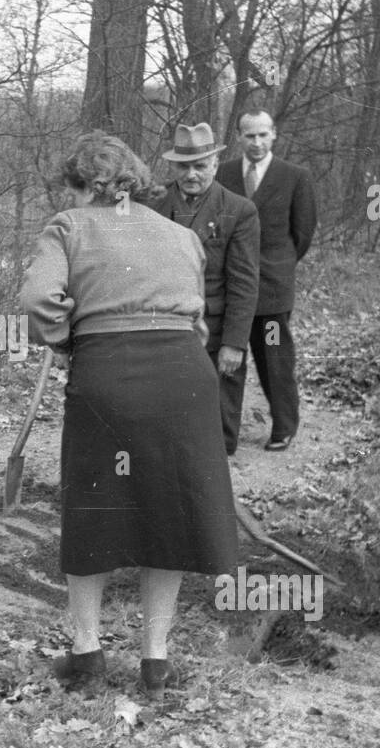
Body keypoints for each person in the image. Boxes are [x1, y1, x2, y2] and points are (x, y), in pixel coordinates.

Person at [20, 131, 238, 699]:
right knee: (167, 513)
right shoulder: (183, 234)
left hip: (107, 377)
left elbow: (39, 301)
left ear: (81, 183)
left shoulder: (67, 227)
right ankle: (155, 663)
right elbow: (197, 321)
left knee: (93, 510)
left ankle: (88, 655)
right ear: (135, 179)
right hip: (185, 379)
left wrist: (68, 339)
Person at [149, 123, 261, 456]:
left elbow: (244, 283)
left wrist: (234, 344)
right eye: (184, 166)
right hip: (165, 327)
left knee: (218, 426)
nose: (192, 174)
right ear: (173, 166)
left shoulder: (239, 210)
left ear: (215, 164)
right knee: (166, 417)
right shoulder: (153, 204)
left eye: (200, 166)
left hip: (214, 330)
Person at [216, 110, 318, 451]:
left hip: (272, 293)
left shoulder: (295, 176)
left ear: (274, 134)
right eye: (249, 136)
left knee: (275, 359)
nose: (256, 142)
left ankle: (283, 427)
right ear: (239, 137)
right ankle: (223, 435)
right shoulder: (223, 174)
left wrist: (278, 266)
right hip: (230, 290)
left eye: (263, 135)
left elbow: (302, 234)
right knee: (228, 360)